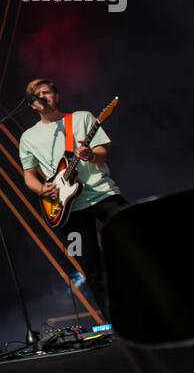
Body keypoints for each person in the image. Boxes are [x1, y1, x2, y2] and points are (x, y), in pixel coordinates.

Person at [18, 79, 129, 314]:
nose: (42, 97)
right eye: (36, 96)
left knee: (133, 240)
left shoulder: (82, 118)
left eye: (46, 92)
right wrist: (41, 189)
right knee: (90, 265)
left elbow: (101, 154)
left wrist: (89, 155)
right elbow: (29, 176)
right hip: (66, 207)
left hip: (102, 193)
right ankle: (115, 318)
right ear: (31, 105)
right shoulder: (28, 137)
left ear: (56, 96)